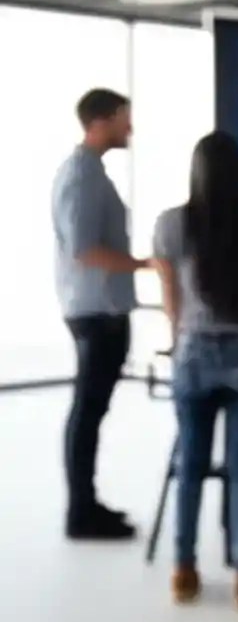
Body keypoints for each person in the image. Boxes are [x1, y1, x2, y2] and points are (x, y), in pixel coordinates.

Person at [152, 131, 238, 607]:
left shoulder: (171, 225)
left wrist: (182, 333)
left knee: (190, 465)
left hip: (194, 352)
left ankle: (184, 571)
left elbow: (171, 300)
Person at [52, 88, 149, 541]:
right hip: (96, 311)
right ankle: (81, 514)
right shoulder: (82, 177)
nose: (129, 127)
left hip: (99, 308)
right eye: (124, 118)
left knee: (89, 411)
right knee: (87, 412)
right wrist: (145, 264)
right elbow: (84, 249)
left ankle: (86, 506)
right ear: (102, 120)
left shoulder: (90, 173)